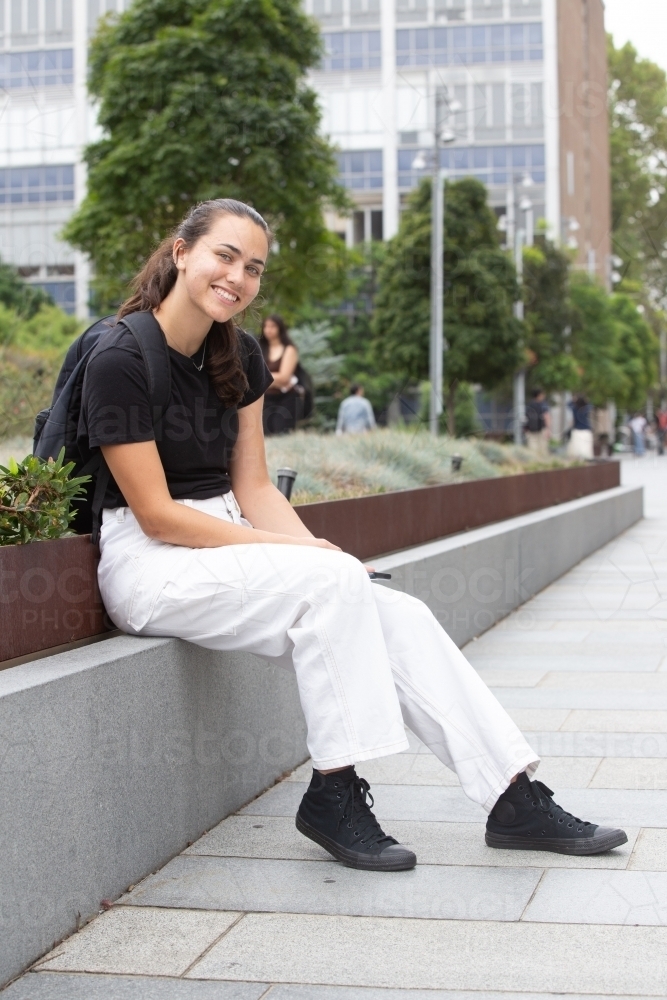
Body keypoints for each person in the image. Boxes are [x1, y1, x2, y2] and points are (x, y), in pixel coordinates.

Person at [80, 198, 627, 873]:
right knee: (335, 582)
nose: (238, 277)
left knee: (400, 613)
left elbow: (252, 489)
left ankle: (512, 795)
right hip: (150, 562)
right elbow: (158, 514)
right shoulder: (119, 356)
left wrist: (324, 553)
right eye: (224, 255)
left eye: (252, 267)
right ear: (181, 251)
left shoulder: (241, 356)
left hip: (226, 537)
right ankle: (335, 790)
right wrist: (303, 557)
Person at [259, 314, 302, 435]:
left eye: (272, 326)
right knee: (264, 434)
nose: (268, 329)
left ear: (280, 328)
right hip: (264, 399)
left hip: (286, 399)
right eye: (266, 326)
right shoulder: (259, 349)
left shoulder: (289, 349)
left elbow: (284, 378)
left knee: (281, 433)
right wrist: (273, 378)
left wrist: (261, 378)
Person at [524, 388, 550, 458]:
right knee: (542, 448)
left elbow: (525, 417)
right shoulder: (543, 405)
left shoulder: (529, 405)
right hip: (541, 429)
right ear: (539, 395)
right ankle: (542, 462)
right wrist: (548, 429)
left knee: (532, 447)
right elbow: (546, 416)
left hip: (530, 429)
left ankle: (533, 461)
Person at [567, 395, 594, 459]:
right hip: (586, 430)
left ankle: (577, 458)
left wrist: (573, 400)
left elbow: (568, 404)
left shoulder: (574, 408)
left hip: (577, 429)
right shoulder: (586, 408)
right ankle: (586, 458)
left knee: (576, 447)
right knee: (586, 447)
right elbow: (591, 405)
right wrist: (587, 400)